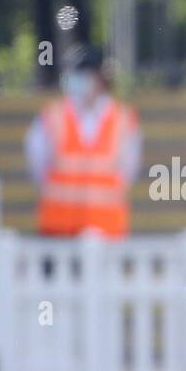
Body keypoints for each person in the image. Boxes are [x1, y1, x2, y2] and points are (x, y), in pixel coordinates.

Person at [26, 44, 141, 238]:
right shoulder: (53, 115)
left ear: (101, 78)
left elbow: (127, 171)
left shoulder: (122, 118)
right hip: (58, 230)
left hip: (107, 231)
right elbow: (38, 165)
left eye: (88, 74)